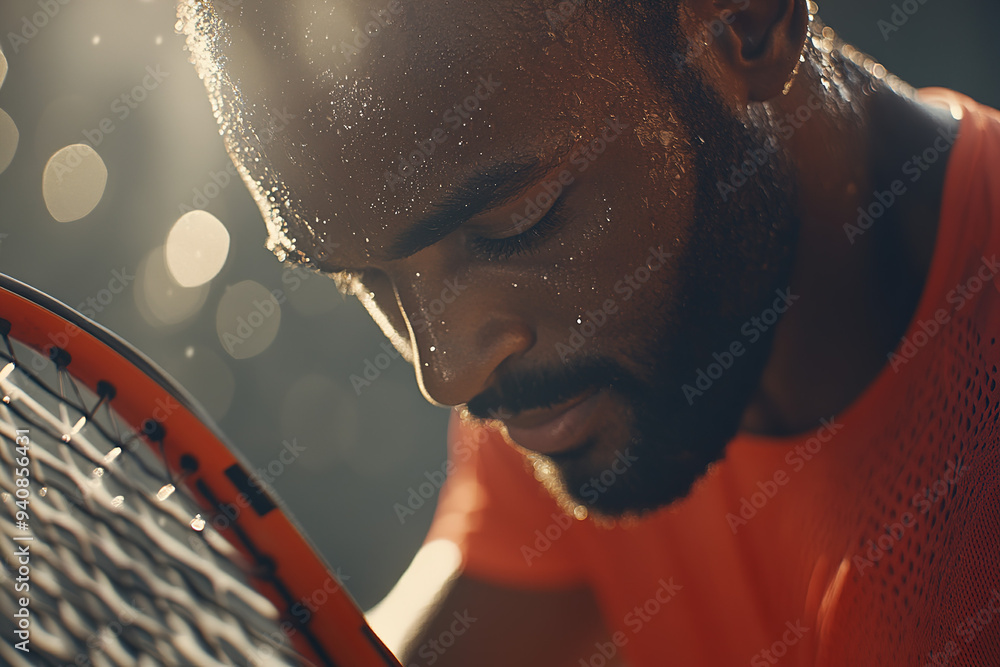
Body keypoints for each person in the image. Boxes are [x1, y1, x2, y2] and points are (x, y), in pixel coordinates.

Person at [178, 0, 1000, 664]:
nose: (449, 371)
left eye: (514, 224)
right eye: (366, 279)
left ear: (746, 25)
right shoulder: (594, 358)